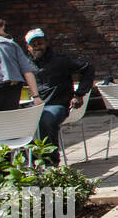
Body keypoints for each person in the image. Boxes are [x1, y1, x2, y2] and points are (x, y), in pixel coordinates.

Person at [24, 28, 94, 160]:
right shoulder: (25, 64)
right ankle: (30, 160)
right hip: (33, 107)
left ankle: (50, 161)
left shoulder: (60, 60)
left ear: (46, 43)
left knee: (46, 119)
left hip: (57, 104)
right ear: (28, 47)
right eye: (34, 45)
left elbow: (88, 68)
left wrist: (79, 94)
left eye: (40, 43)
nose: (38, 47)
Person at [0, 17, 43, 112]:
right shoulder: (12, 45)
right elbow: (27, 72)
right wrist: (36, 96)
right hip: (11, 90)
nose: (5, 32)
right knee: (5, 122)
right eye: (3, 29)